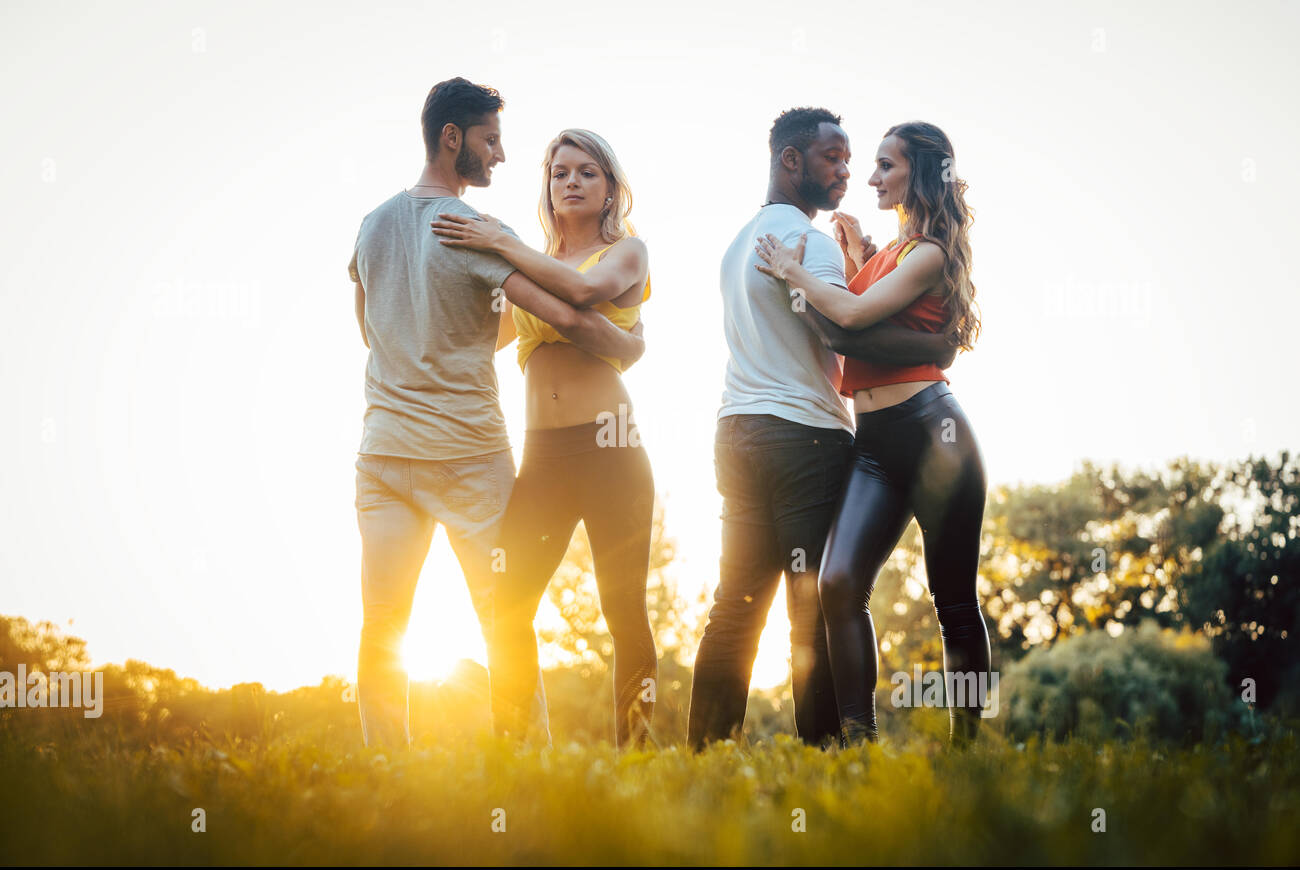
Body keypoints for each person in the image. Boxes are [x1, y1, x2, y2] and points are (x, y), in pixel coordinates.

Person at [347, 79, 644, 749]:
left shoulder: (370, 226)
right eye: (489, 139)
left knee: (383, 622)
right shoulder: (478, 233)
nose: (501, 155)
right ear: (453, 138)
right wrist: (632, 343)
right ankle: (524, 765)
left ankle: (385, 774)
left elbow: (370, 328)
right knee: (503, 616)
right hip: (468, 458)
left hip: (385, 454)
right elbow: (563, 314)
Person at [686, 108, 958, 751]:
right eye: (833, 159)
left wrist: (858, 253)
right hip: (804, 434)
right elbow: (846, 327)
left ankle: (706, 754)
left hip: (736, 430)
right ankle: (826, 756)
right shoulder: (808, 245)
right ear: (791, 161)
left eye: (850, 160)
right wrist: (940, 347)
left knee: (736, 605)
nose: (846, 173)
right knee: (812, 606)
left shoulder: (739, 242)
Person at [754, 121, 989, 748]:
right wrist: (858, 255)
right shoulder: (892, 252)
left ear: (919, 174)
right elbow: (859, 321)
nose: (870, 176)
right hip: (876, 442)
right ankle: (858, 747)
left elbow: (852, 315)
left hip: (934, 434)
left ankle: (968, 754)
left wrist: (788, 270)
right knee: (837, 583)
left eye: (885, 165)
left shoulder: (930, 253)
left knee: (953, 599)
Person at [432, 129, 656, 748]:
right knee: (508, 604)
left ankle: (636, 757)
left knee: (623, 611)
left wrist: (503, 246)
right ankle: (516, 751)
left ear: (610, 187)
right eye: (560, 173)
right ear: (548, 185)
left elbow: (582, 293)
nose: (572, 182)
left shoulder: (626, 251)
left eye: (587, 172)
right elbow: (484, 338)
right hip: (544, 457)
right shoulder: (526, 262)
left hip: (612, 449)